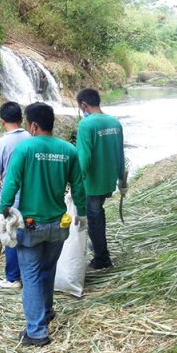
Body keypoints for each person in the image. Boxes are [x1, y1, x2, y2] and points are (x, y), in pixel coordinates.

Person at [0, 102, 86, 346]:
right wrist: (83, 214)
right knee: (48, 269)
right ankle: (46, 312)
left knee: (32, 276)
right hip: (59, 224)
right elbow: (79, 186)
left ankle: (36, 332)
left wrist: (2, 211)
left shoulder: (25, 149)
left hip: (30, 225)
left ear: (33, 125)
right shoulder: (69, 150)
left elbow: (11, 184)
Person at [75, 88, 127, 270]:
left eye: (80, 108)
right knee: (97, 213)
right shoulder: (115, 123)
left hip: (92, 182)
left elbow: (84, 157)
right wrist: (122, 179)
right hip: (108, 180)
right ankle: (98, 246)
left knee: (94, 216)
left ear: (84, 105)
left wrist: (75, 183)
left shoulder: (86, 125)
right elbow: (121, 153)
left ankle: (102, 259)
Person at [0, 101, 30, 288]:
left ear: (2, 121)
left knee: (10, 234)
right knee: (30, 234)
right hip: (34, 195)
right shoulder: (32, 137)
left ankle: (13, 278)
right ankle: (29, 275)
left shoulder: (0, 144)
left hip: (13, 197)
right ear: (22, 119)